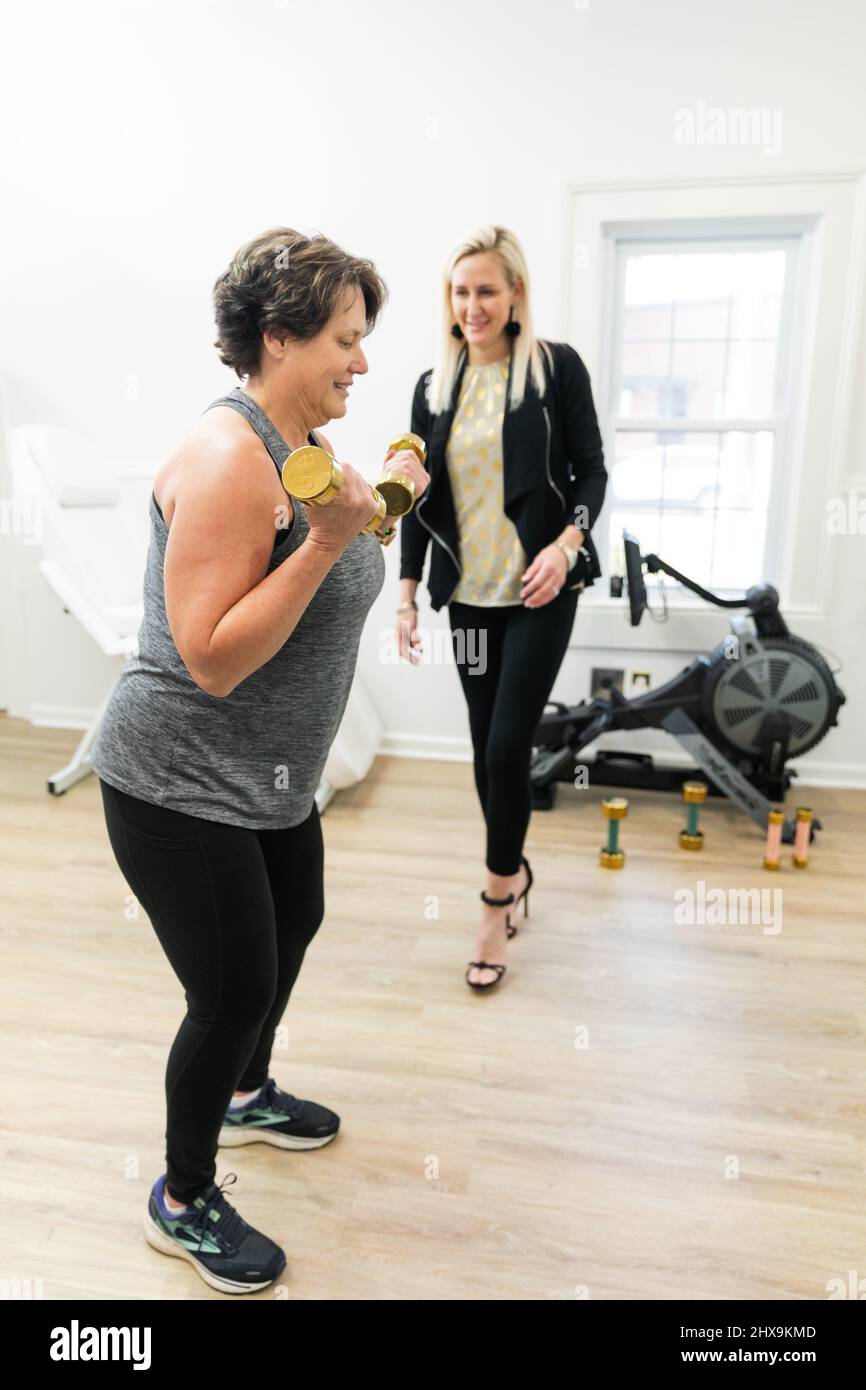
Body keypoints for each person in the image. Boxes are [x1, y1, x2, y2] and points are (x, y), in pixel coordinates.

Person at [89, 227, 429, 1294]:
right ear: (278, 337)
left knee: (294, 925)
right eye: (345, 339)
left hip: (270, 779)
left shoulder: (303, 450)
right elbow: (211, 658)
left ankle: (246, 1094)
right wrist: (328, 540)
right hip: (177, 781)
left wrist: (373, 511)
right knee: (232, 990)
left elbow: (320, 564)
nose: (362, 362)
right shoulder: (231, 460)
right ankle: (182, 1197)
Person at [395, 224, 607, 991]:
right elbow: (414, 495)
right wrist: (407, 593)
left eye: (487, 290)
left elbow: (591, 472)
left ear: (515, 292)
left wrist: (566, 546)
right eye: (461, 292)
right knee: (487, 747)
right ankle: (514, 868)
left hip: (539, 590)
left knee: (509, 742)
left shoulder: (555, 368)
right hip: (469, 598)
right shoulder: (433, 386)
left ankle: (493, 905)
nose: (473, 306)